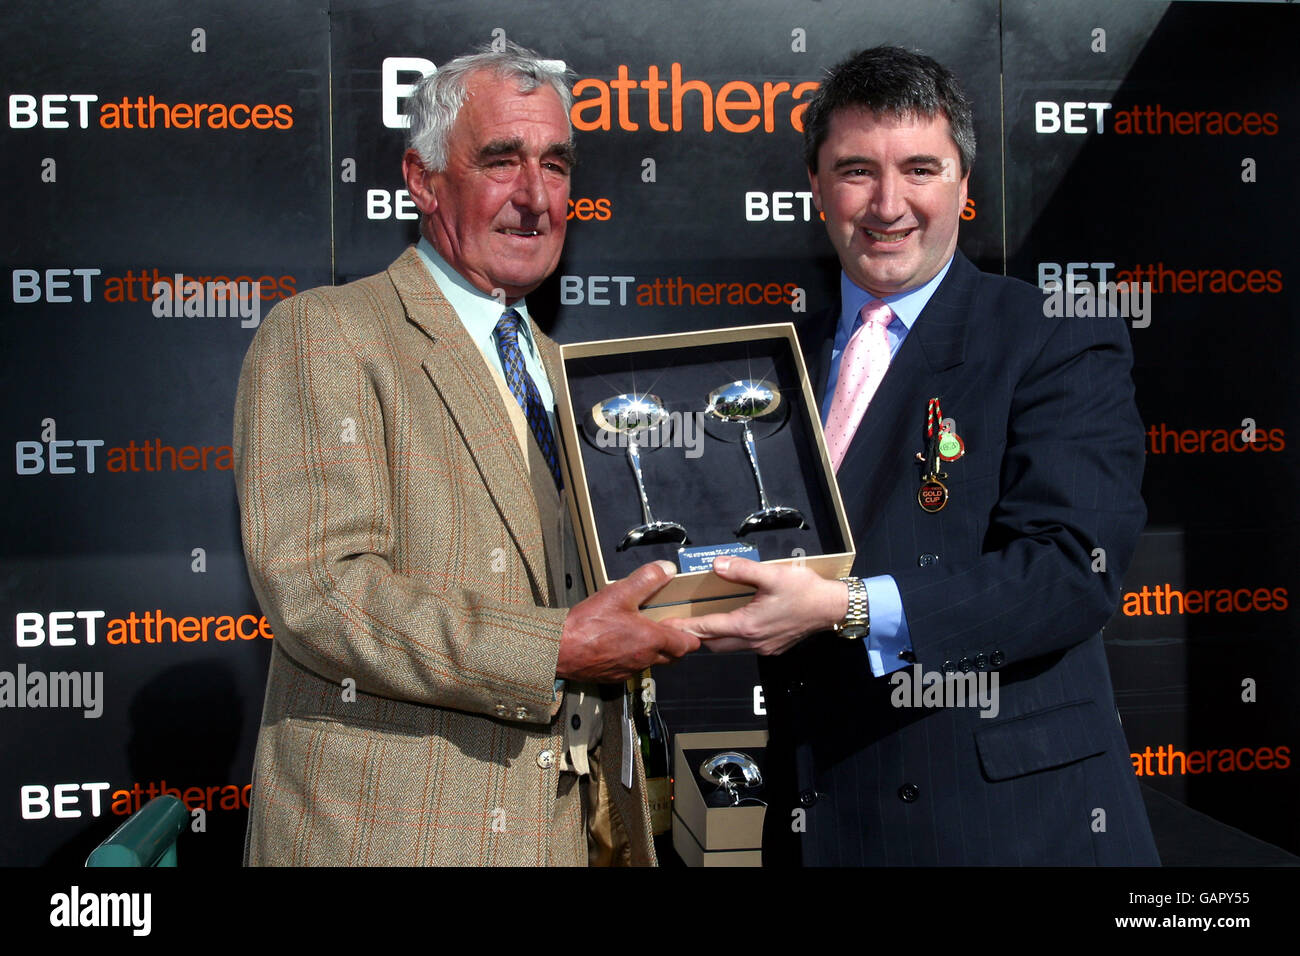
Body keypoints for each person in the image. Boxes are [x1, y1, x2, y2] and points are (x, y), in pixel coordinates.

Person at [669, 46, 1159, 865]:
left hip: (1008, 830)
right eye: (856, 170)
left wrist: (847, 608)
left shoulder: (1052, 336)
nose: (888, 204)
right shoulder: (773, 366)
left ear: (964, 186)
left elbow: (1073, 569)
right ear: (817, 189)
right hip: (822, 819)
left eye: (920, 169)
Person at [233, 42, 697, 866]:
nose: (534, 197)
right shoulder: (325, 335)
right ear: (421, 178)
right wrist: (551, 649)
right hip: (392, 837)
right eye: (501, 161)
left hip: (568, 833)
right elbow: (318, 590)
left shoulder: (564, 371)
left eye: (555, 165)